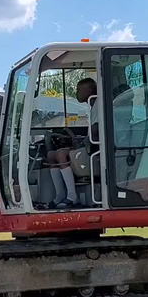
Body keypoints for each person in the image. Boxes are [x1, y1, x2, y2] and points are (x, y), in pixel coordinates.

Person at [45, 77, 97, 209]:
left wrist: (79, 141)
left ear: (89, 90)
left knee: (61, 154)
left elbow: (96, 131)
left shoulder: (99, 106)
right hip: (89, 144)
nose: (76, 93)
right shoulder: (93, 107)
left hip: (94, 148)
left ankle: (72, 196)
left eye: (79, 90)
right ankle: (60, 194)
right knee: (51, 155)